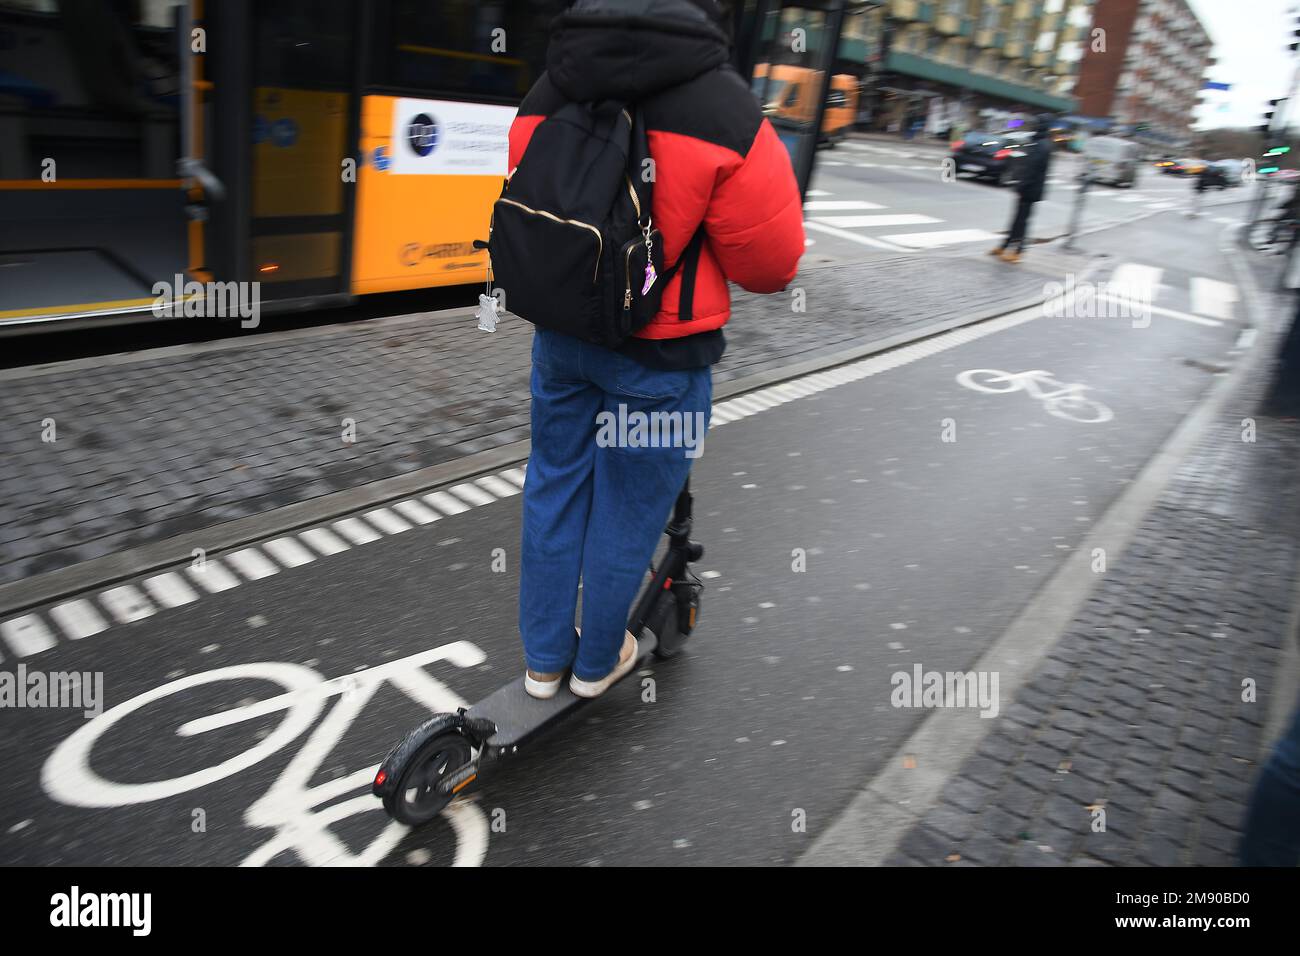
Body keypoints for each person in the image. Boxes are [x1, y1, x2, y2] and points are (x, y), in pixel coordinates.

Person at [508, 0, 805, 699]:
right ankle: (597, 662)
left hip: (564, 339)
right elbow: (772, 263)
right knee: (629, 509)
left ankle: (544, 662)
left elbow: (533, 198)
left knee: (553, 489)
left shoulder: (552, 83)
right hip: (663, 359)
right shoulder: (727, 109)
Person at [990, 114, 1054, 264]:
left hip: (1030, 189)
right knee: (1017, 219)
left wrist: (1021, 185)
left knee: (1022, 221)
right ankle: (1005, 246)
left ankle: (1019, 251)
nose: (1034, 126)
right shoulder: (1038, 142)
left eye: (1037, 123)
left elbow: (1032, 169)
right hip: (1028, 187)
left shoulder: (1042, 144)